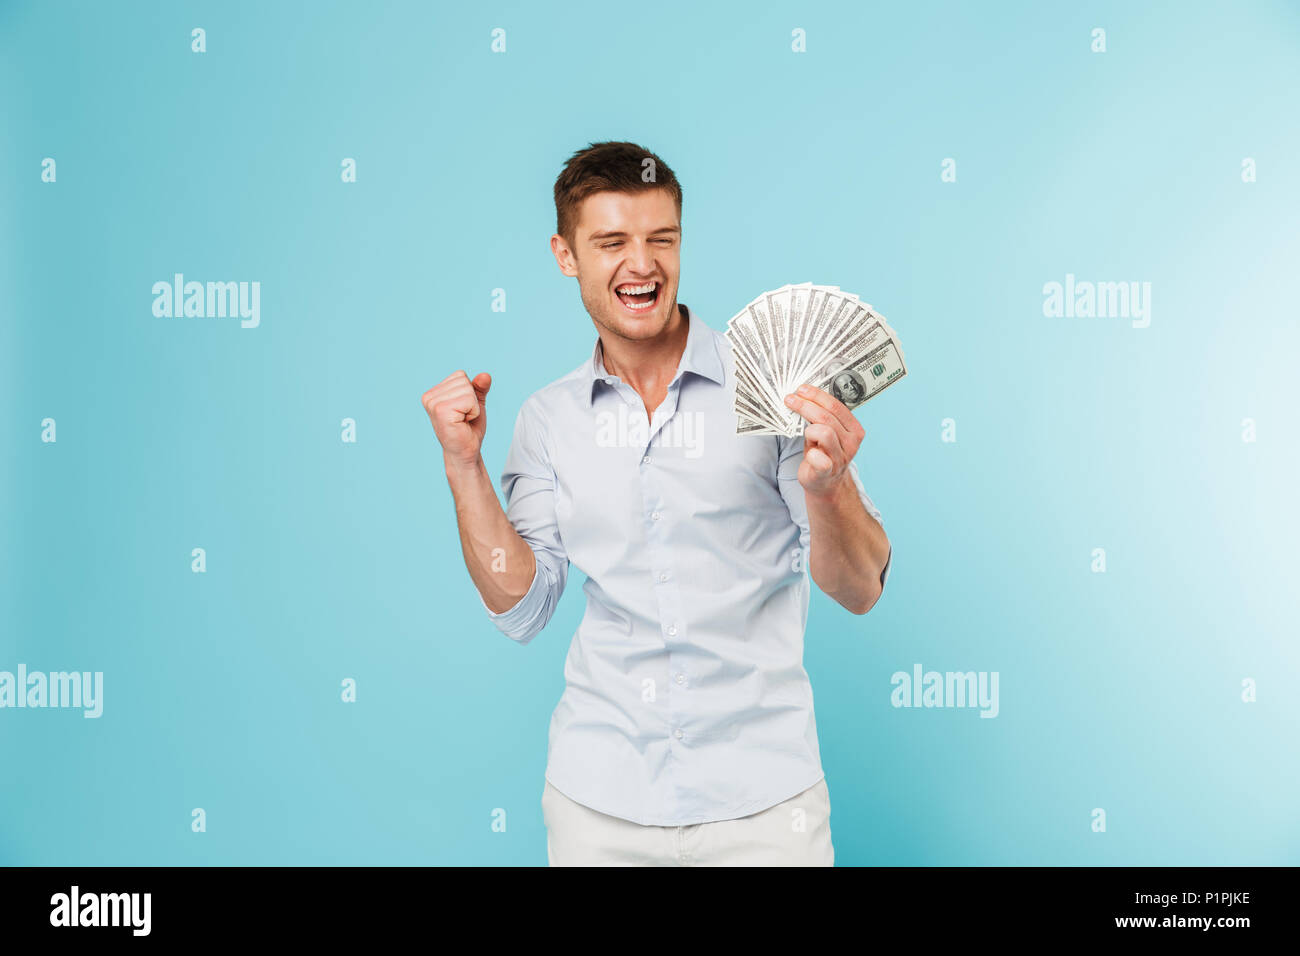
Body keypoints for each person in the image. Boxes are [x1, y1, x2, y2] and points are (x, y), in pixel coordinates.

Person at [420, 141, 892, 866]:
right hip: (599, 807)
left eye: (660, 240)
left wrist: (829, 490)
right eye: (611, 242)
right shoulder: (547, 420)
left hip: (765, 803)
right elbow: (522, 607)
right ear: (565, 254)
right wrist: (464, 467)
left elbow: (859, 589)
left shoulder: (772, 389)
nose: (641, 264)